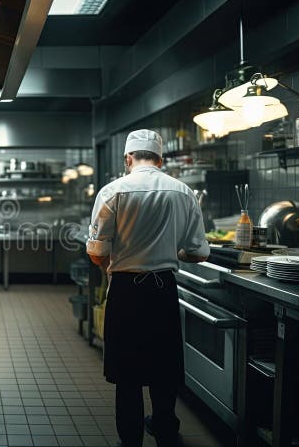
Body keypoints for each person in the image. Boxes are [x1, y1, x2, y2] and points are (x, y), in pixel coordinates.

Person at [86, 129, 209, 447]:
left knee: (127, 376)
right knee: (164, 370)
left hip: (126, 290)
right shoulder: (183, 192)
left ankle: (130, 439)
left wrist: (110, 269)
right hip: (163, 290)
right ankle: (165, 431)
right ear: (160, 158)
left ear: (128, 158)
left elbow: (97, 252)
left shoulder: (113, 192)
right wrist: (173, 252)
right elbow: (198, 252)